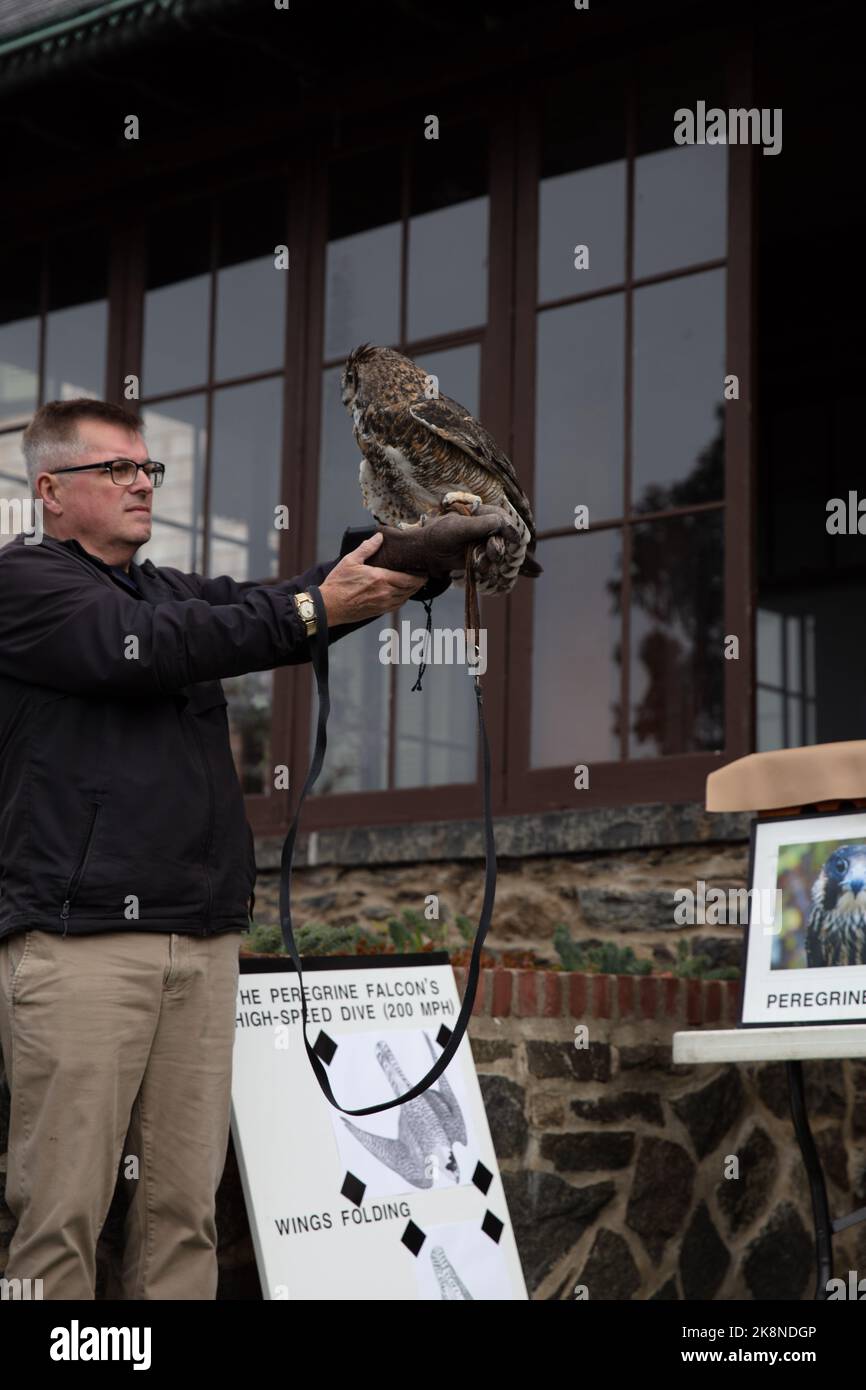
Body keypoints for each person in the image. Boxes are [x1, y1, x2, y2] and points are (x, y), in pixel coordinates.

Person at [0, 397, 514, 1300]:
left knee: (182, 1216)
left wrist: (416, 550)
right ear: (49, 490)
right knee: (58, 1217)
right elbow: (157, 648)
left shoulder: (167, 589)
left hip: (200, 939)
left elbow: (269, 604)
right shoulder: (25, 587)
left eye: (145, 469)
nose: (139, 485)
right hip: (80, 945)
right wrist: (318, 607)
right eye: (113, 469)